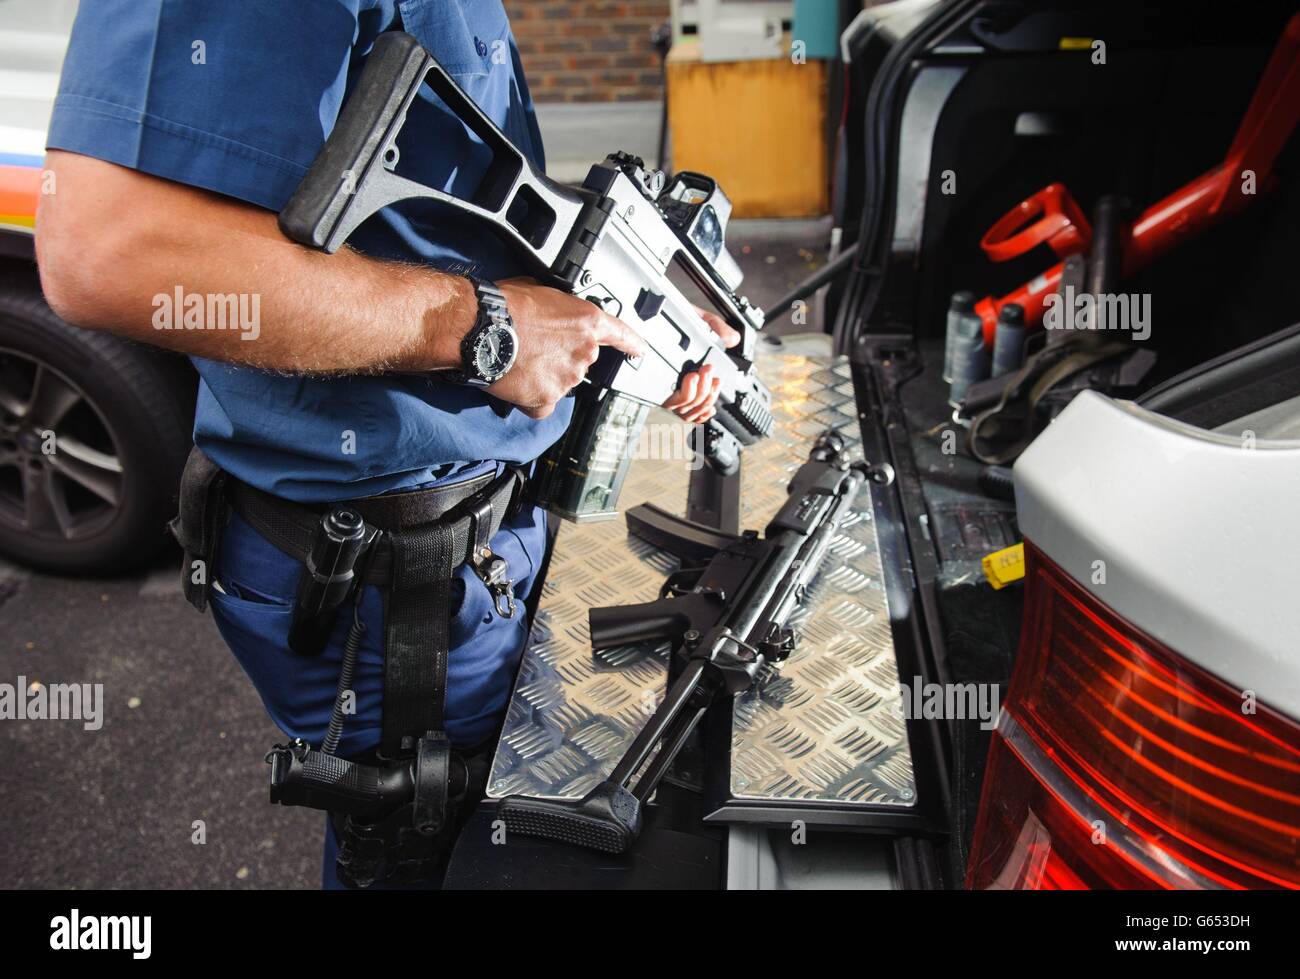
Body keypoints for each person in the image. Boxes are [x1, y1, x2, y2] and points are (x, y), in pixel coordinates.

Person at [36, 0, 734, 888]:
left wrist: (636, 317)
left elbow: (433, 232)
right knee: (419, 849)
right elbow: (108, 252)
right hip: (391, 579)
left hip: (452, 550)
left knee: (428, 833)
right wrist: (487, 328)